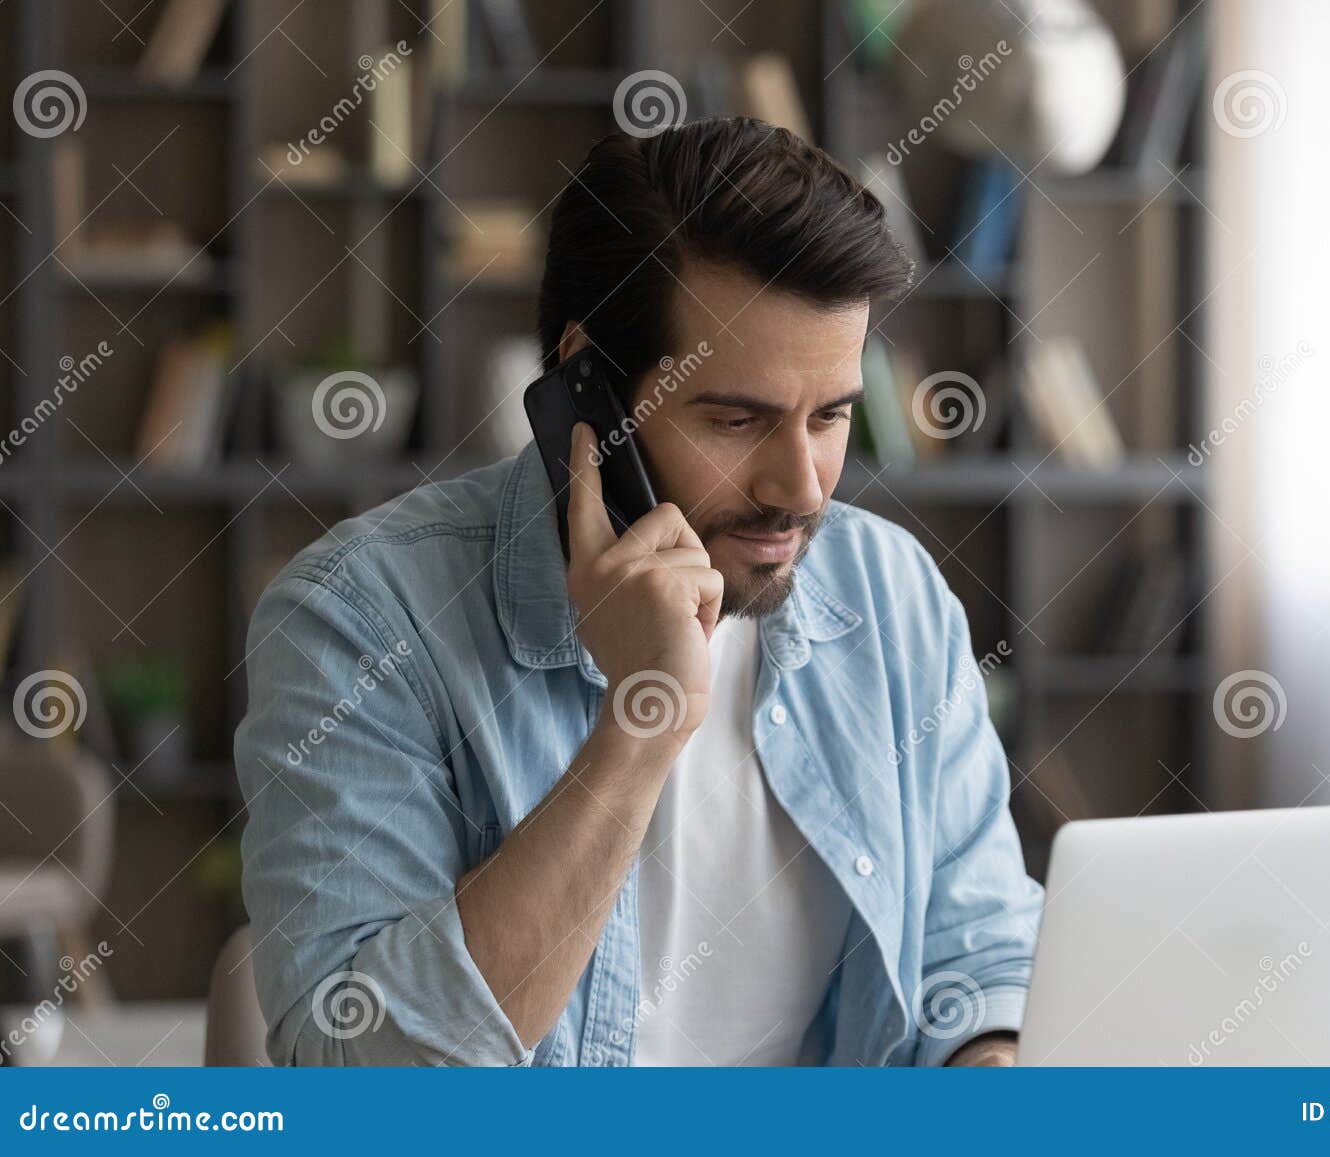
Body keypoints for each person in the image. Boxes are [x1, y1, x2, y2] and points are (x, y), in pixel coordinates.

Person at [235, 116, 1042, 1066]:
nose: (804, 487)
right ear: (592, 387)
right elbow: (363, 1084)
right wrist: (641, 726)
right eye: (738, 418)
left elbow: (978, 945)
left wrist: (991, 1063)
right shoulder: (363, 618)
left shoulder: (890, 591)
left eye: (830, 417)